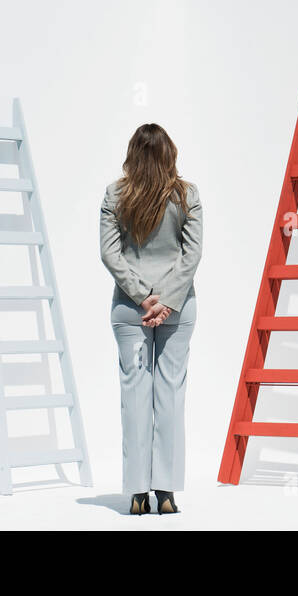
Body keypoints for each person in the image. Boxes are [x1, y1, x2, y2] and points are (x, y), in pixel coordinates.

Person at [99, 123, 202, 515]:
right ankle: (167, 493)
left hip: (130, 309)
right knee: (171, 394)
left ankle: (138, 494)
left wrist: (144, 297)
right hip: (178, 308)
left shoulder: (114, 194)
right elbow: (191, 256)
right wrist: (167, 301)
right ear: (169, 153)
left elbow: (111, 255)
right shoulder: (188, 195)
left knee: (135, 395)